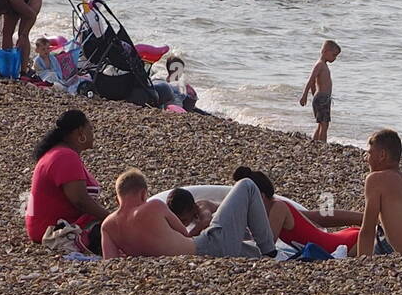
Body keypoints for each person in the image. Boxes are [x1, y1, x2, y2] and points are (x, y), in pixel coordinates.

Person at [101, 170, 278, 258]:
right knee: (246, 185)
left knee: (249, 251)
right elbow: (184, 234)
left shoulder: (108, 226)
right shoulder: (154, 206)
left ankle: (264, 253)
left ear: (119, 197)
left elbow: (112, 262)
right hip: (204, 248)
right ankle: (270, 252)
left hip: (205, 252)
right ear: (143, 193)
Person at [225, 167, 364, 255]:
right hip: (340, 237)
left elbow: (266, 244)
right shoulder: (275, 208)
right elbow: (316, 217)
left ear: (260, 196)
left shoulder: (278, 208)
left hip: (345, 243)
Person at [25, 110, 108, 253]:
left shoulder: (60, 153)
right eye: (90, 129)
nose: (93, 134)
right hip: (54, 229)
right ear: (80, 132)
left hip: (45, 227)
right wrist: (111, 217)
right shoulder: (65, 156)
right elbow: (80, 200)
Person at [300, 39, 340, 142]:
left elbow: (314, 84)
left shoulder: (324, 65)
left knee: (321, 124)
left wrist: (314, 94)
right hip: (322, 98)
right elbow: (311, 80)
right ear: (326, 51)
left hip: (323, 98)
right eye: (334, 55)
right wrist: (305, 95)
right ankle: (322, 144)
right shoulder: (320, 64)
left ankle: (315, 143)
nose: (335, 58)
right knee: (324, 124)